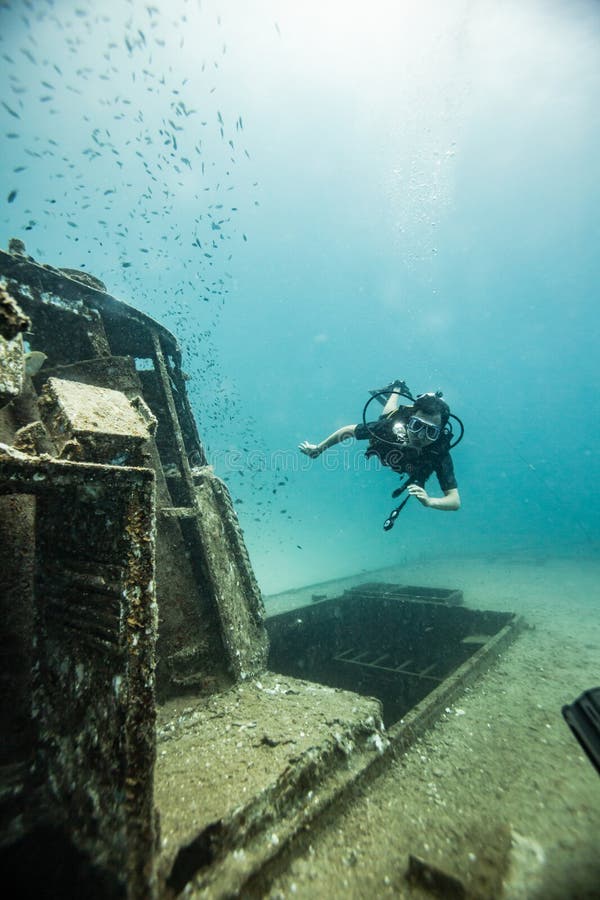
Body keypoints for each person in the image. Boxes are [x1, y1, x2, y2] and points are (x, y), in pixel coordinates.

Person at [299, 382, 461, 521]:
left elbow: (454, 501)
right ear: (410, 420)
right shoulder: (392, 427)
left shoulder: (439, 453)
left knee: (386, 417)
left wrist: (430, 501)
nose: (420, 436)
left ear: (439, 433)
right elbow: (350, 430)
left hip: (408, 463)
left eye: (430, 432)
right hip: (392, 428)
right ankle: (397, 387)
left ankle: (397, 388)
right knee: (386, 415)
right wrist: (319, 449)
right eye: (417, 426)